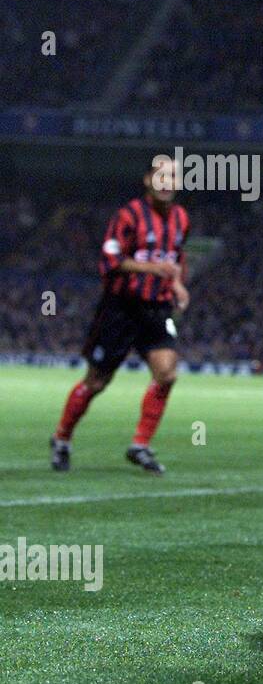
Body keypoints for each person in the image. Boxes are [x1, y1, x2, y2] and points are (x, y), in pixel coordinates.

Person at [50, 157, 190, 474]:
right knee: (97, 381)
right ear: (147, 180)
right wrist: (152, 269)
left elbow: (176, 258)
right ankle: (61, 438)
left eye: (173, 177)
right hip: (121, 308)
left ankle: (139, 445)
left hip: (157, 308)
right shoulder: (129, 216)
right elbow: (110, 259)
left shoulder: (181, 218)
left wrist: (178, 284)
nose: (167, 182)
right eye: (161, 176)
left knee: (167, 373)